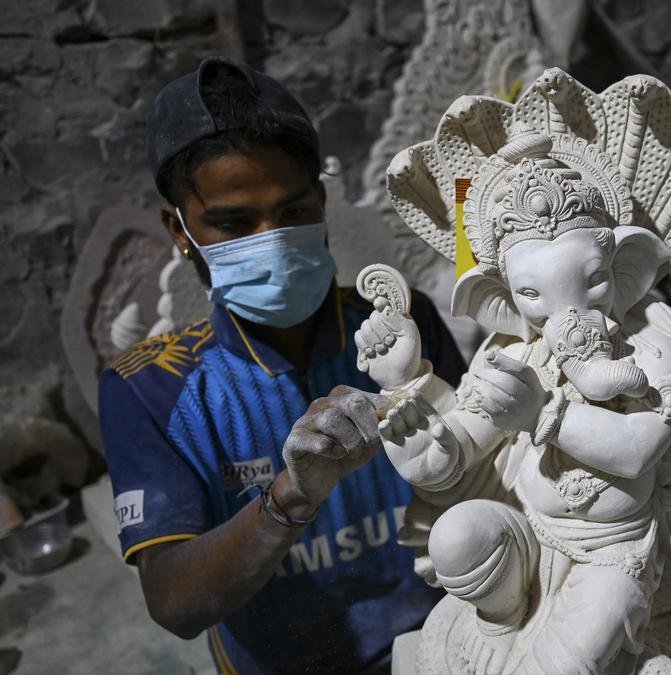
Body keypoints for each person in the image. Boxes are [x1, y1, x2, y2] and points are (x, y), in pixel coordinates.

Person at [99, 57, 467, 674]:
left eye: (293, 212)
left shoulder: (404, 322)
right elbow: (175, 602)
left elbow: (482, 468)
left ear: (321, 199)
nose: (272, 237)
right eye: (235, 223)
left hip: (440, 646)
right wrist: (290, 498)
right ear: (180, 228)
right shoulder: (151, 387)